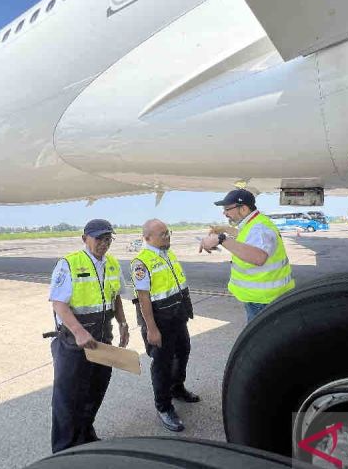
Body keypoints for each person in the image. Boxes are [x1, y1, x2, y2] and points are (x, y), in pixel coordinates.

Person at [48, 219, 130, 453]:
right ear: (85, 239)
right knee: (68, 398)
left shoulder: (112, 264)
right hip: (74, 343)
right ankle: (64, 450)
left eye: (108, 238)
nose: (104, 243)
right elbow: (58, 303)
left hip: (102, 339)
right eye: (99, 238)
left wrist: (123, 323)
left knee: (95, 391)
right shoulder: (69, 263)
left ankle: (85, 435)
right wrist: (79, 331)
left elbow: (115, 297)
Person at [131, 219, 199, 432]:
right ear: (147, 238)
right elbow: (143, 298)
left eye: (168, 232)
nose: (167, 236)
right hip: (160, 322)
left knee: (183, 352)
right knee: (162, 364)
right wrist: (151, 329)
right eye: (162, 234)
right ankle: (164, 407)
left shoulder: (168, 254)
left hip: (177, 317)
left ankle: (177, 388)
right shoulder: (141, 263)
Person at [199, 189, 295, 322]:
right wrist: (225, 229)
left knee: (261, 335)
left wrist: (221, 239)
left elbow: (259, 257)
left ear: (243, 208)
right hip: (263, 297)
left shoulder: (259, 228)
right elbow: (248, 238)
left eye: (227, 209)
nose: (224, 213)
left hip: (263, 300)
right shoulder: (254, 223)